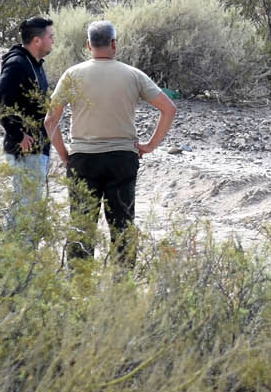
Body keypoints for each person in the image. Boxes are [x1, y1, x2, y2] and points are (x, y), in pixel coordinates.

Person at [44, 20, 176, 265]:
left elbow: (50, 120)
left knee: (82, 226)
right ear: (114, 44)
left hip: (83, 158)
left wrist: (64, 154)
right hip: (122, 158)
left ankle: (80, 285)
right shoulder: (132, 75)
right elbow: (169, 109)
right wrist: (150, 145)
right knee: (122, 225)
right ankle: (122, 288)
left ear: (88, 45)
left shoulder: (72, 75)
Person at [0, 15, 55, 217]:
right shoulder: (17, 64)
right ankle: (15, 248)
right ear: (37, 40)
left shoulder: (34, 64)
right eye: (50, 36)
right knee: (24, 210)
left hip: (38, 148)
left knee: (31, 208)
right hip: (25, 151)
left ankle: (25, 248)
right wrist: (18, 135)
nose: (53, 40)